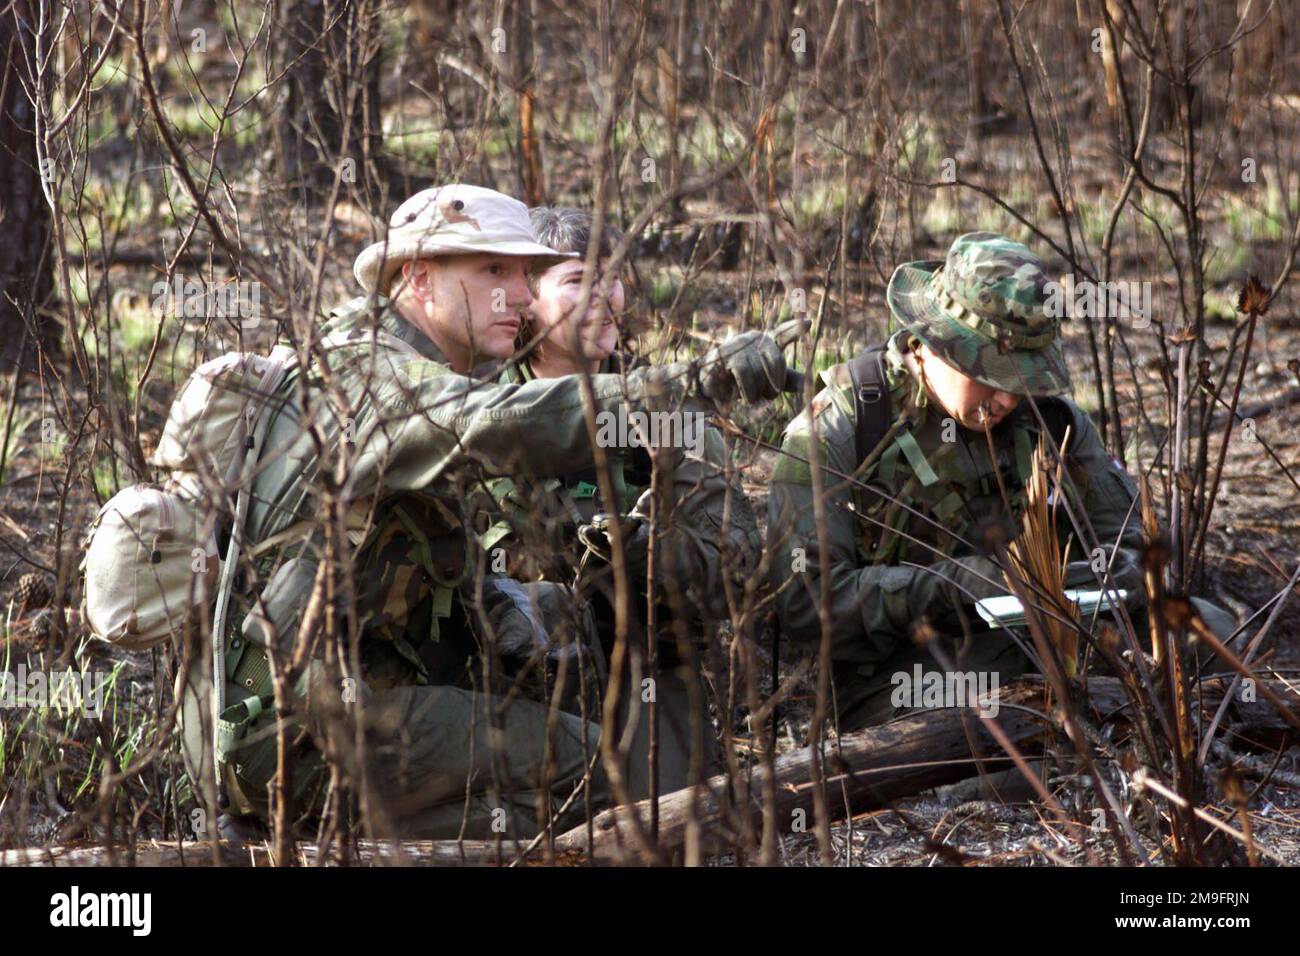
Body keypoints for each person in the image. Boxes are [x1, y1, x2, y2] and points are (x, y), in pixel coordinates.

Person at [177, 184, 788, 840]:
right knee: (597, 777)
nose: (520, 295)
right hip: (295, 732)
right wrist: (692, 384)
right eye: (495, 271)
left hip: (282, 717)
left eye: (525, 273)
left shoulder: (364, 359)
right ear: (417, 278)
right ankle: (331, 837)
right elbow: (489, 425)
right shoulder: (380, 377)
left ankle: (334, 833)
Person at [767, 231, 1239, 732]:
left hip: (1052, 641)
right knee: (1016, 757)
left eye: (1021, 379)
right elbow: (805, 605)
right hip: (910, 671)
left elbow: (1127, 541)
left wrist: (1109, 572)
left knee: (1213, 637)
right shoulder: (840, 430)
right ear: (930, 342)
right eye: (988, 374)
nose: (1006, 398)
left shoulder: (1053, 424)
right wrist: (952, 587)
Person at [472, 206, 761, 798]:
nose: (604, 297)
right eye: (579, 281)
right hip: (521, 678)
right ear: (527, 300)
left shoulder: (665, 409)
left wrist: (650, 554)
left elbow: (738, 552)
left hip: (649, 670)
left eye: (614, 278)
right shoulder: (482, 415)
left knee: (681, 825)